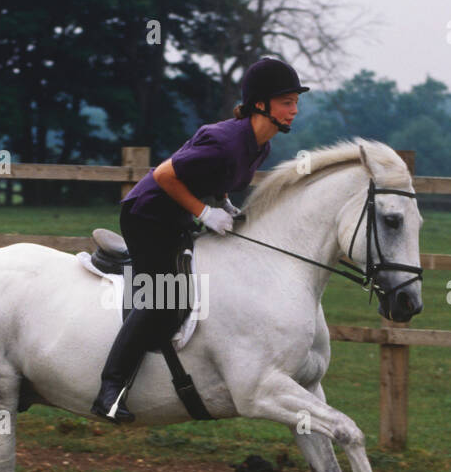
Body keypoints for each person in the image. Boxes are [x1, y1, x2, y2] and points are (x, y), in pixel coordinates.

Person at [90, 57, 309, 422]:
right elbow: (164, 176)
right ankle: (110, 391)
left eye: (295, 102)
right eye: (287, 102)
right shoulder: (225, 142)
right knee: (164, 300)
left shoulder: (261, 145)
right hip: (147, 216)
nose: (294, 111)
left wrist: (225, 205)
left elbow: (215, 181)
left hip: (177, 215)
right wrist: (204, 213)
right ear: (260, 104)